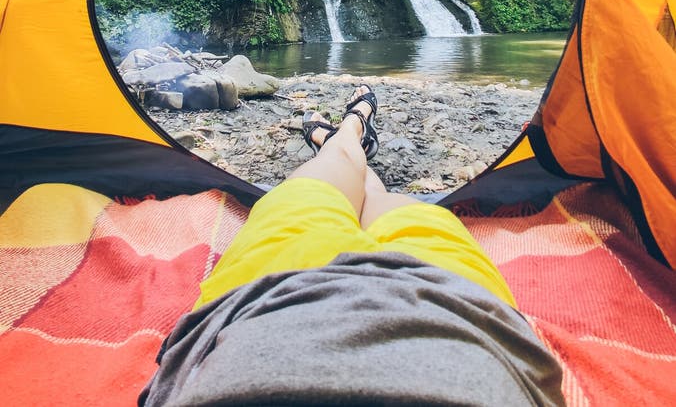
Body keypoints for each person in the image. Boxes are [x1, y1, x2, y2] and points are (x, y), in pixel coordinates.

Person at [140, 85, 564, 406]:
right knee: (387, 203)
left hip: (266, 297)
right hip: (462, 310)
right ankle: (354, 129)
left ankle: (346, 133)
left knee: (335, 180)